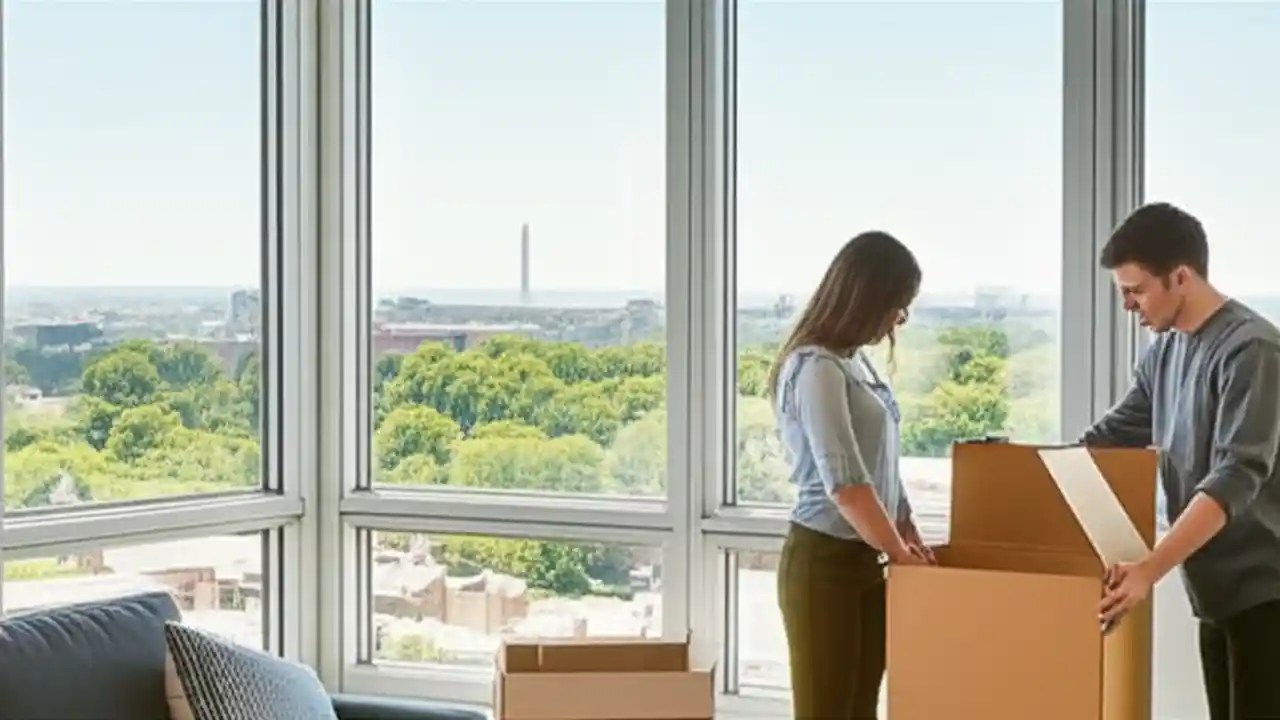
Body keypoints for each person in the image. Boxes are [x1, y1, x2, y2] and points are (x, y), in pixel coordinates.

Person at [1081, 202, 1280, 720]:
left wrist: (1149, 569)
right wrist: (1018, 467)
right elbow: (1109, 437)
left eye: (1135, 290)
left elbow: (1236, 475)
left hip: (1267, 593)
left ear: (1181, 277)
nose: (1128, 306)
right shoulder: (1165, 352)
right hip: (1214, 591)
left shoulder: (1253, 351)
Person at [768, 231, 934, 720]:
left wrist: (907, 532)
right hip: (823, 563)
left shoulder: (855, 362)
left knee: (860, 710)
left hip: (867, 562)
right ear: (865, 298)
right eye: (897, 304)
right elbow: (845, 484)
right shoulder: (816, 368)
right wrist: (899, 552)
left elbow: (881, 466)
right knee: (826, 712)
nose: (901, 318)